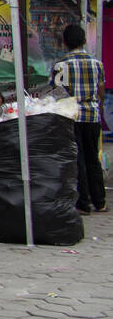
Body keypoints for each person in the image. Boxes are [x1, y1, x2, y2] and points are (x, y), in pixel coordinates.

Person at [50, 24, 107, 214]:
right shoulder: (97, 63)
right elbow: (101, 92)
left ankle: (83, 203)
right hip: (92, 115)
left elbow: (57, 94)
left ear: (64, 43)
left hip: (71, 116)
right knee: (93, 159)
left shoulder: (61, 65)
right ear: (84, 41)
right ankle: (100, 202)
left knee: (78, 160)